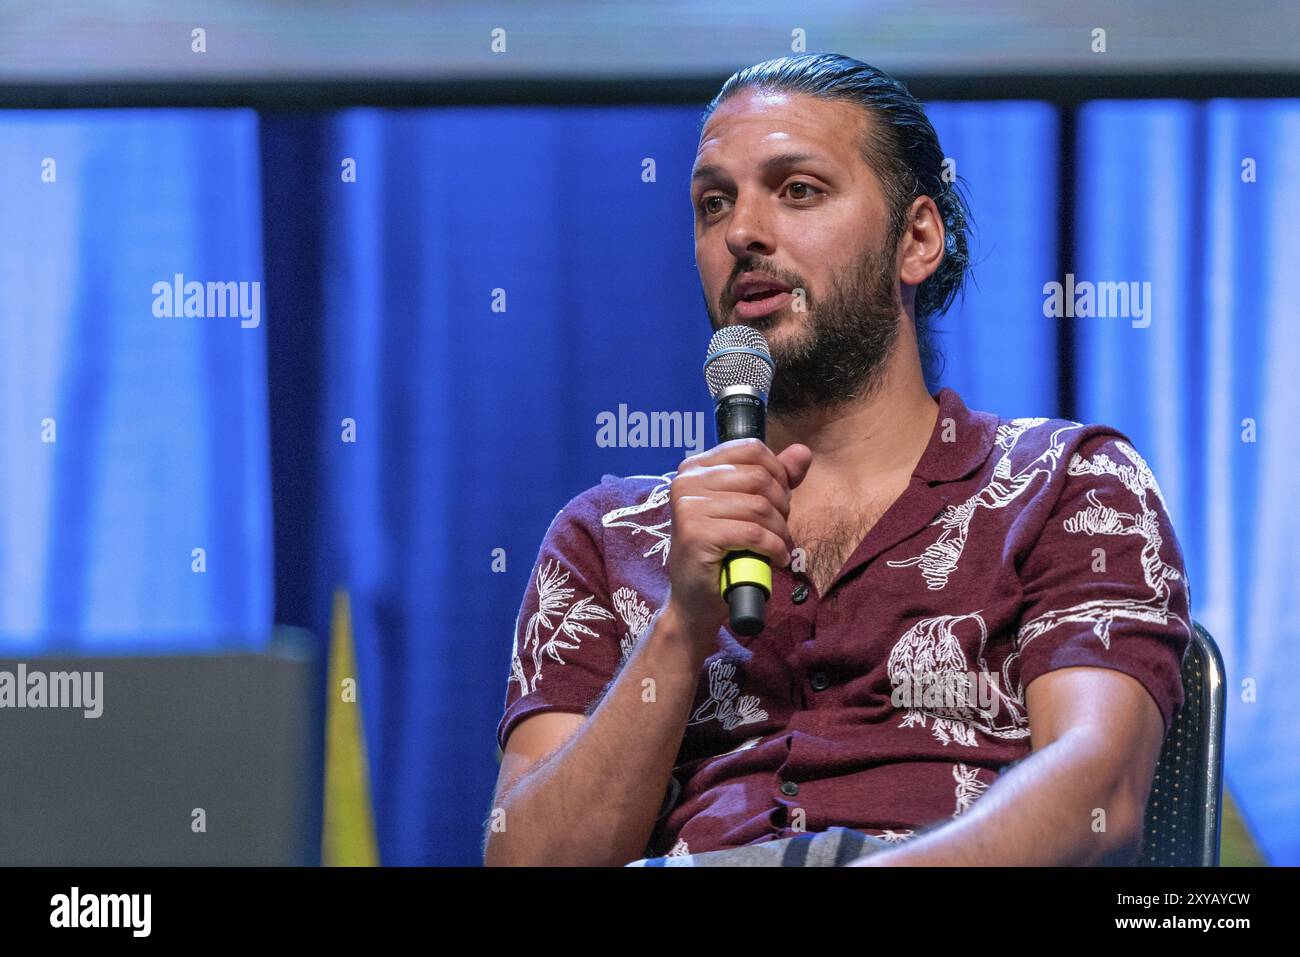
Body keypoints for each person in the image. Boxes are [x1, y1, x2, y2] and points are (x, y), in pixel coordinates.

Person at [483, 53, 1191, 867]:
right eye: (714, 203)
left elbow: (1097, 795)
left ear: (917, 238)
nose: (741, 231)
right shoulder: (608, 537)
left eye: (797, 190)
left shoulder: (1067, 486)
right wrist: (681, 624)